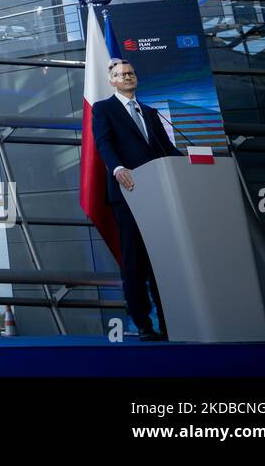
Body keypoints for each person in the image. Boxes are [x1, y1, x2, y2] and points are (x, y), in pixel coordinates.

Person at [91, 57, 181, 340]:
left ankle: (170, 323)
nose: (127, 77)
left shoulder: (152, 113)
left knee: (161, 261)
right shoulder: (104, 108)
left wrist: (193, 161)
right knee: (134, 261)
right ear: (112, 81)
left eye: (130, 73)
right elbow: (103, 142)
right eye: (121, 74)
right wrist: (117, 168)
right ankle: (143, 324)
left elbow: (166, 148)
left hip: (157, 194)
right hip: (127, 192)